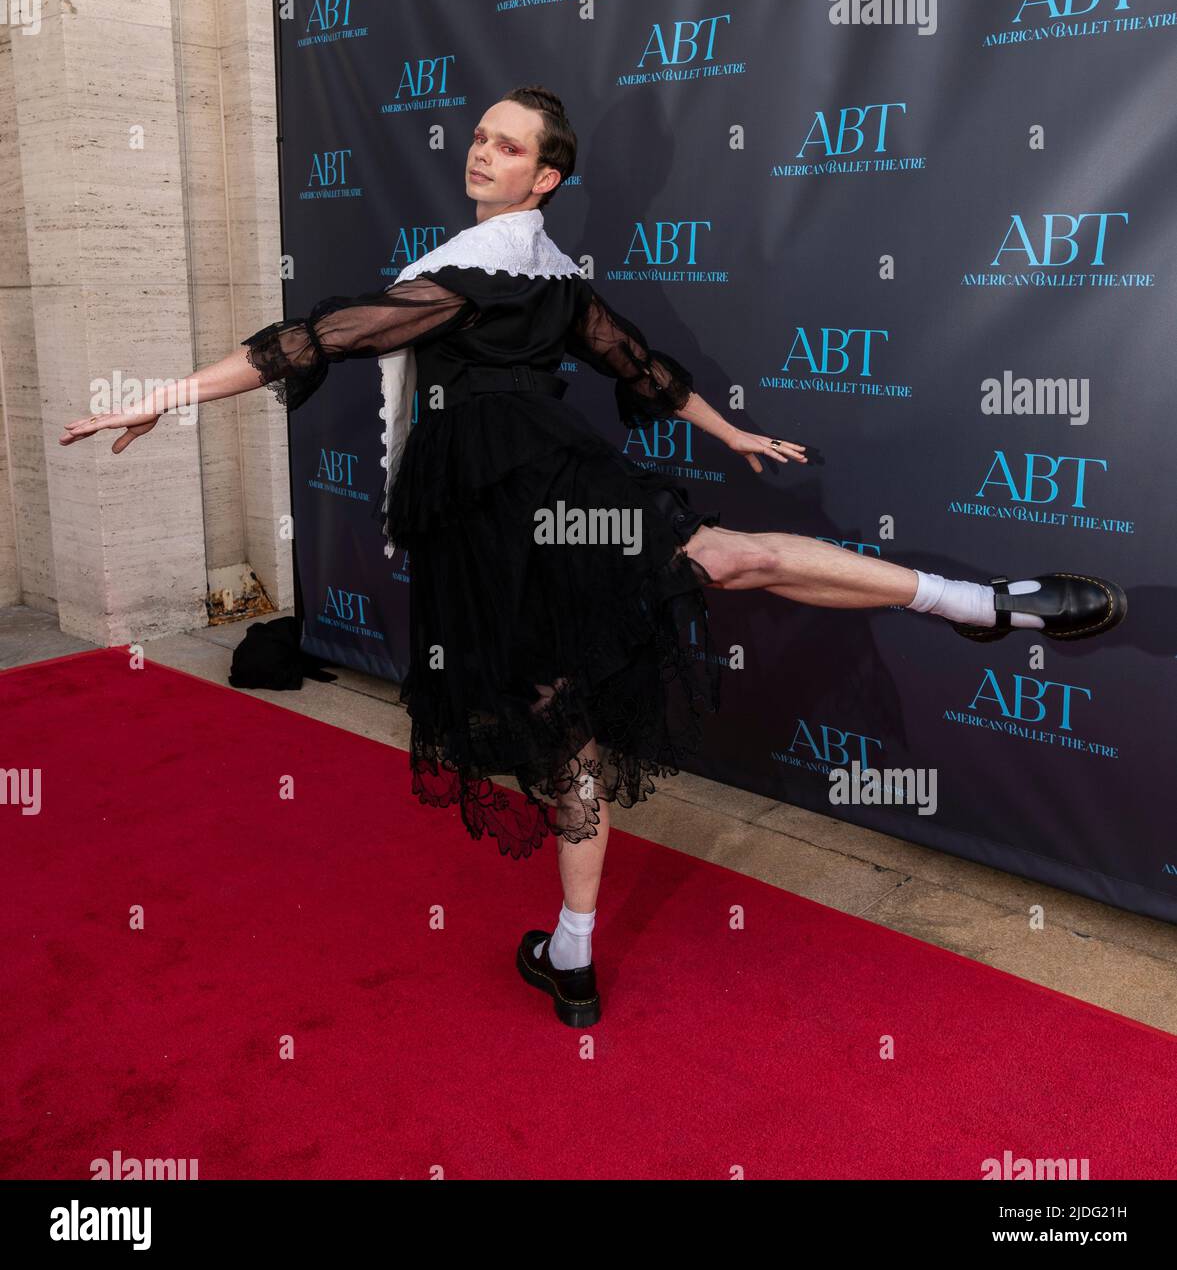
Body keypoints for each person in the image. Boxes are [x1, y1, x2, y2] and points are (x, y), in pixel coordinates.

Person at [61, 86, 1127, 1029]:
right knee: (703, 584)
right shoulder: (551, 282)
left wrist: (165, 395)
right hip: (531, 500)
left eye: (507, 145)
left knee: (607, 676)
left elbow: (310, 342)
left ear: (547, 175)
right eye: (477, 136)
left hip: (507, 502)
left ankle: (970, 603)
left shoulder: (471, 277)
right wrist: (729, 434)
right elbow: (644, 372)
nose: (481, 153)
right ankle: (972, 605)